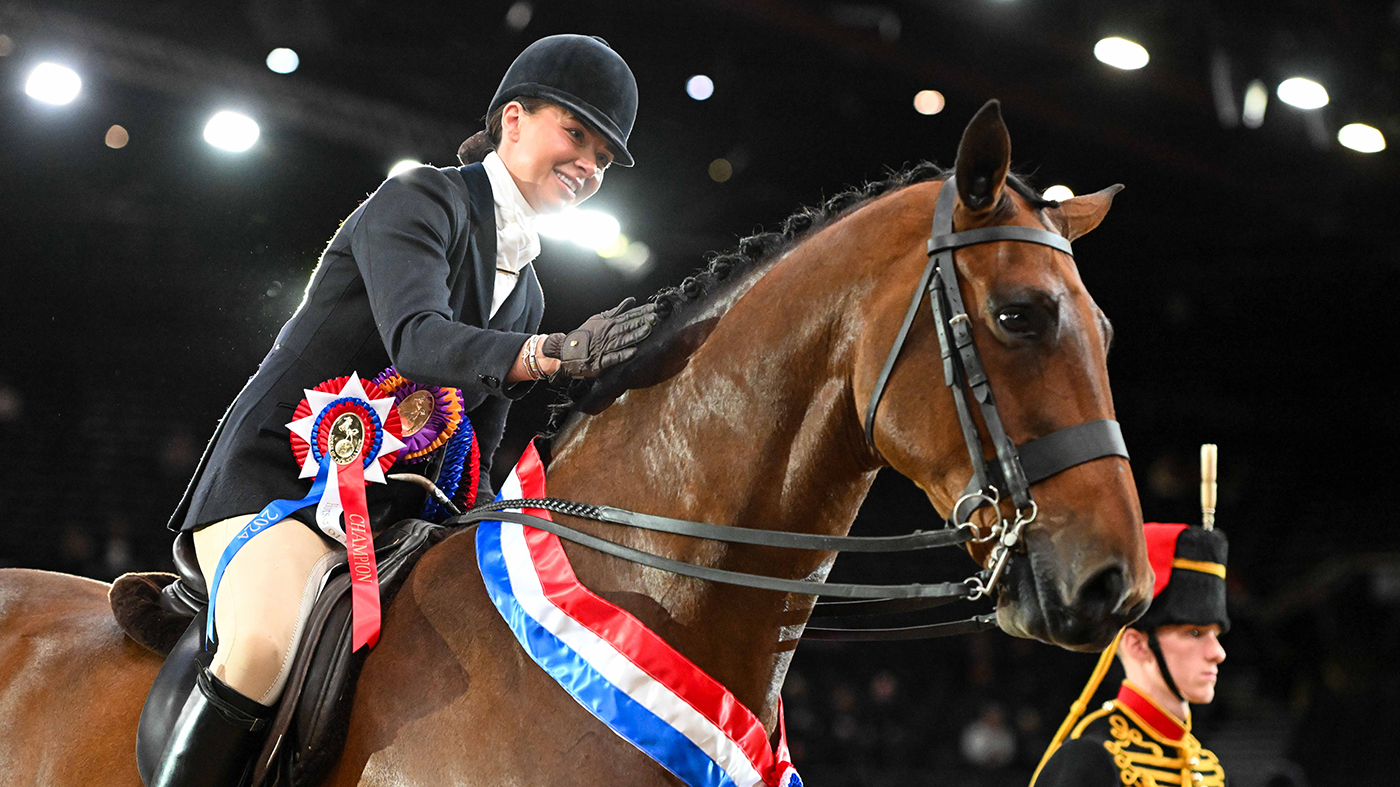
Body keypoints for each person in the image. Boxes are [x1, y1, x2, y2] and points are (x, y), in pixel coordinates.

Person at [144, 34, 657, 787]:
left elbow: (476, 441)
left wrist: (497, 529)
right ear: (512, 120)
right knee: (258, 646)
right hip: (276, 487)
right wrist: (550, 354)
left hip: (383, 520)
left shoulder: (530, 292)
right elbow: (419, 342)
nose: (588, 165)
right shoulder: (421, 198)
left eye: (604, 158)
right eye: (575, 134)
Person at [1031, 523, 1230, 787]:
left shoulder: (1209, 769)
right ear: (1137, 645)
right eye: (1193, 633)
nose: (1218, 653)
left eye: (1215, 635)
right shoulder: (1091, 761)